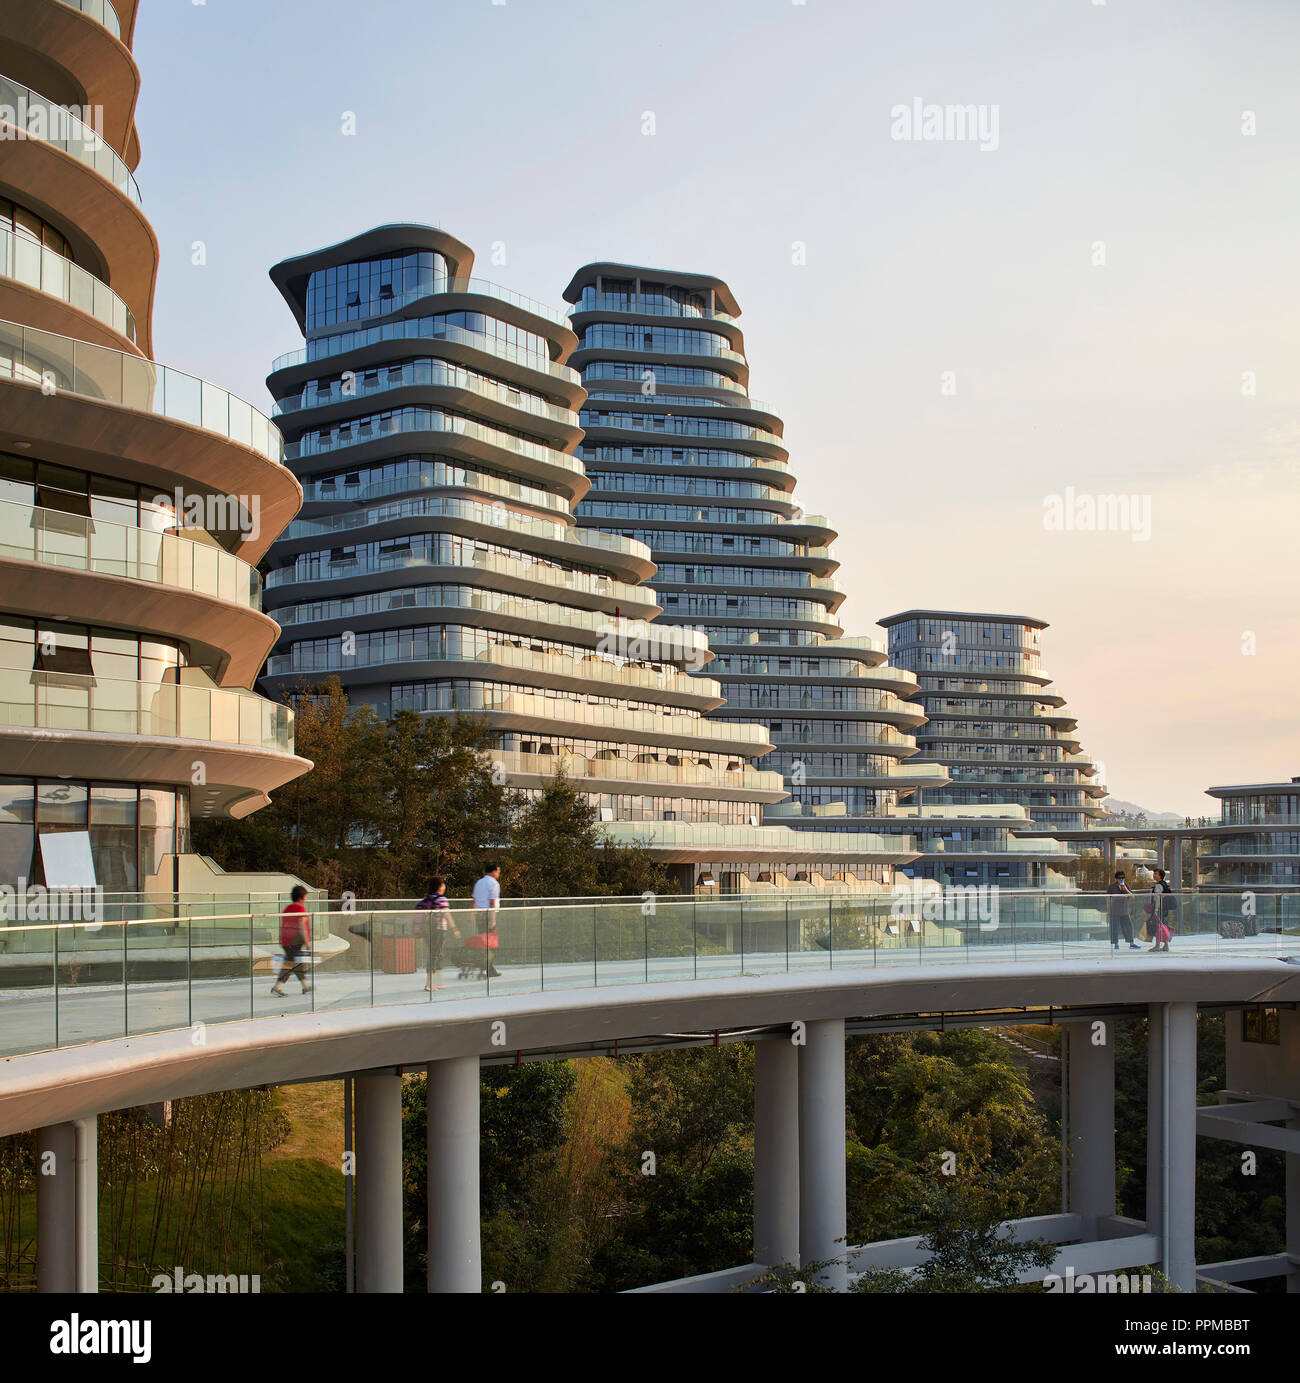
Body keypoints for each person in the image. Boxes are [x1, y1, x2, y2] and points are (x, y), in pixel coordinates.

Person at [415, 876, 460, 992]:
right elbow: (447, 915)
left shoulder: (425, 900)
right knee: (435, 955)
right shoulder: (442, 899)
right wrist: (454, 929)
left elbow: (418, 915)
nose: (444, 886)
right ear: (440, 886)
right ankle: (429, 984)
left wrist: (419, 932)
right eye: (443, 884)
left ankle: (438, 981)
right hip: (438, 930)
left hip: (427, 931)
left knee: (436, 954)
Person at [272, 885, 312, 996]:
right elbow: (302, 926)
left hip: (286, 941)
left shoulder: (287, 909)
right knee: (291, 964)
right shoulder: (300, 909)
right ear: (301, 897)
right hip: (294, 942)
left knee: (296, 964)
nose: (306, 899)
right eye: (305, 896)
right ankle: (276, 987)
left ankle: (305, 987)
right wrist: (307, 942)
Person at [465, 863, 501, 979]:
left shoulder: (479, 882)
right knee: (490, 943)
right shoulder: (493, 884)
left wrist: (471, 915)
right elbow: (492, 902)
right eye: (498, 871)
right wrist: (492, 921)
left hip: (479, 915)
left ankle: (488, 967)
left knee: (483, 943)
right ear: (494, 871)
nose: (499, 874)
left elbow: (474, 900)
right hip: (488, 916)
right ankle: (488, 968)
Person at [1106, 870, 1140, 951]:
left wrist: (1125, 889)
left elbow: (1132, 897)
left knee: (1128, 926)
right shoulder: (1112, 887)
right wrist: (1108, 910)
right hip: (1114, 910)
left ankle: (1131, 943)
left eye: (1122, 878)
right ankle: (1115, 943)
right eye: (1119, 878)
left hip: (1124, 910)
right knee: (1115, 927)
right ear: (1116, 878)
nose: (1121, 879)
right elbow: (1108, 899)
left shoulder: (1126, 886)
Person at [1148, 869, 1173, 953]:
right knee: (1163, 926)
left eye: (1155, 874)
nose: (1154, 875)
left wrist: (1156, 909)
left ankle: (1157, 945)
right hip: (1164, 908)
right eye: (1153, 874)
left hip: (1159, 908)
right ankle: (1165, 945)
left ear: (1160, 876)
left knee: (1158, 926)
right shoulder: (1164, 884)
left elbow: (1158, 897)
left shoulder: (1158, 885)